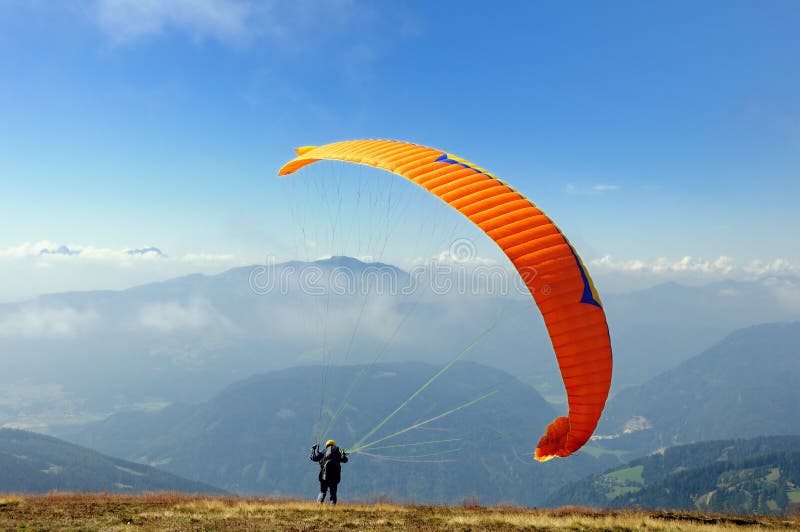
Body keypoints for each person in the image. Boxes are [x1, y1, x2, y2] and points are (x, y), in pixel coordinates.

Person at [310, 439, 348, 504]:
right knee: (333, 493)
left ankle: (319, 504)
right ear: (334, 445)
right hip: (335, 476)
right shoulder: (337, 453)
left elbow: (314, 458)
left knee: (323, 491)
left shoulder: (323, 452)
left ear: (326, 445)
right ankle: (332, 506)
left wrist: (313, 450)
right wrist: (343, 455)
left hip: (324, 476)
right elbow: (345, 460)